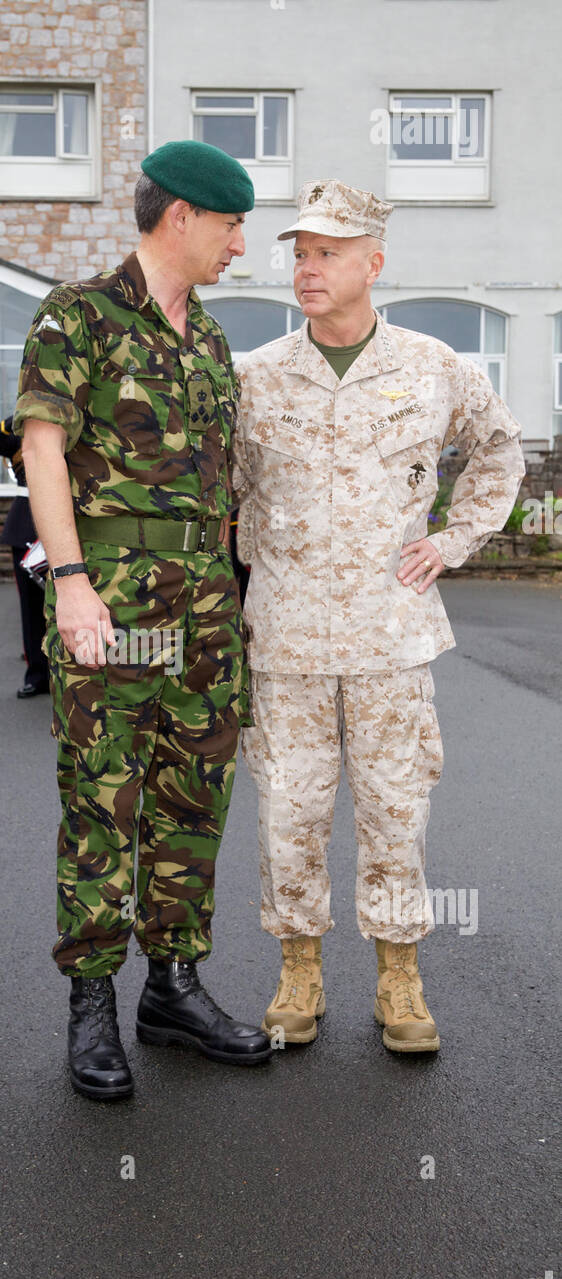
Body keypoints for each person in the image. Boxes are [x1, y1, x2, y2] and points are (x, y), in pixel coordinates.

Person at [234, 179, 525, 1052]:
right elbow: (226, 492)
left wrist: (456, 539)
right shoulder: (254, 378)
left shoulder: (434, 369)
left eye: (327, 253)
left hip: (391, 639)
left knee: (397, 808)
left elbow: (500, 450)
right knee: (288, 810)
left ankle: (400, 977)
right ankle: (299, 967)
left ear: (374, 262)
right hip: (284, 637)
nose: (307, 268)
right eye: (299, 253)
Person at [15, 140, 273, 1100]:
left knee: (193, 799)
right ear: (181, 217)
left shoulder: (206, 337)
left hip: (206, 606)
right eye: (232, 224)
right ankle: (92, 1004)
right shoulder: (79, 316)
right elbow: (44, 453)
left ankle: (173, 986)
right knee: (101, 800)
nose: (241, 244)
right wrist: (71, 580)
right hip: (114, 605)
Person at [0, 414, 49, 698]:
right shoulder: (22, 432)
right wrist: (19, 417)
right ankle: (37, 673)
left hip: (69, 521)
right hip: (26, 520)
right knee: (31, 608)